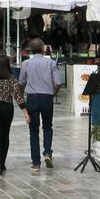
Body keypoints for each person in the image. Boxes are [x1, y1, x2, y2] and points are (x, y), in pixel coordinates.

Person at [19, 38, 60, 172]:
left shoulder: (26, 63)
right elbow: (58, 83)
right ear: (43, 48)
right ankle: (47, 152)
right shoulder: (51, 63)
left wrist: (21, 99)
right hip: (47, 98)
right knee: (48, 126)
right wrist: (53, 94)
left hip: (32, 98)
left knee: (33, 131)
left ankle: (36, 163)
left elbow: (21, 83)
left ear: (31, 49)